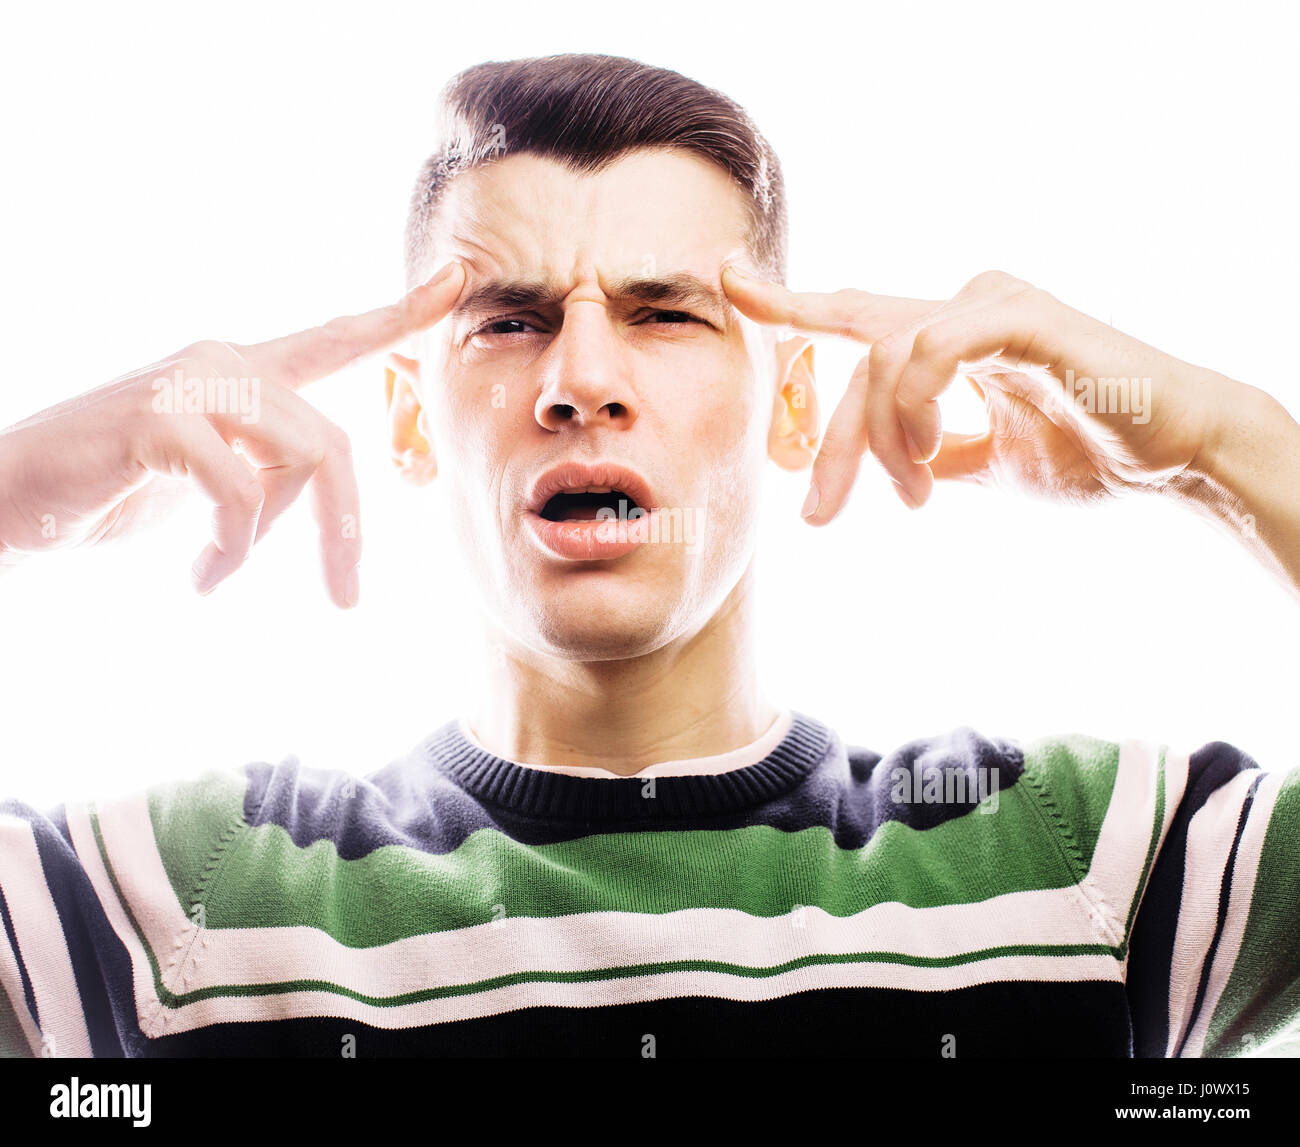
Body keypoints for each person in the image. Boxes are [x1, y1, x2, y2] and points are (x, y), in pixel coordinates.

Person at [1, 52, 1297, 1059]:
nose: (579, 380)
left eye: (664, 312)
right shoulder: (192, 898)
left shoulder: (1086, 864)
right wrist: (13, 495)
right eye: (506, 319)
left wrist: (1230, 444)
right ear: (406, 417)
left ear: (793, 404)